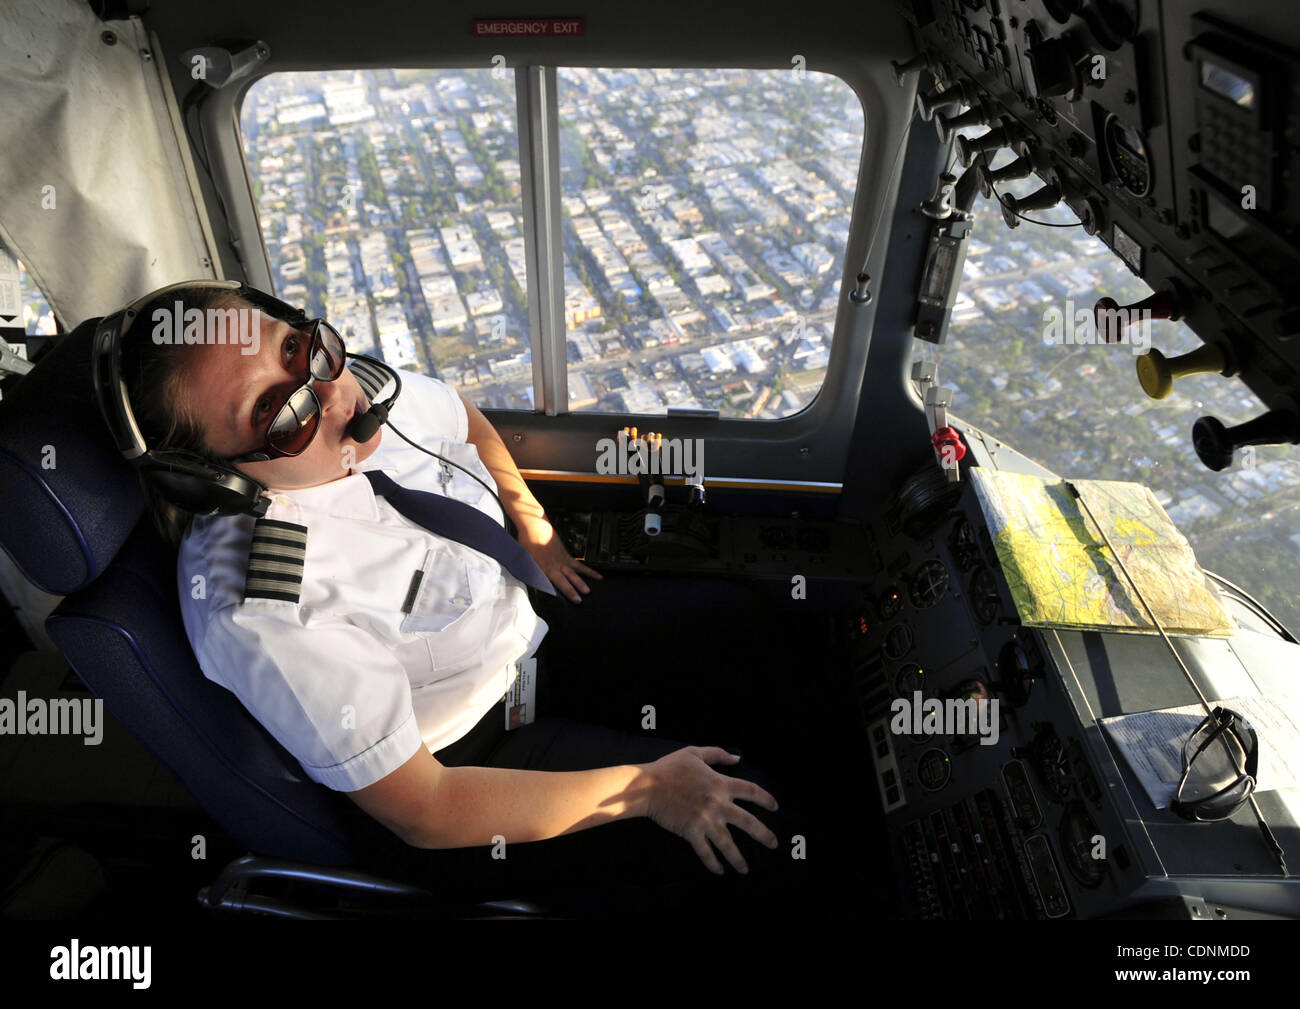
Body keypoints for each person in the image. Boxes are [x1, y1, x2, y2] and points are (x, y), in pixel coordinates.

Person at [122, 284, 809, 916]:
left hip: (524, 633)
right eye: (276, 410)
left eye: (296, 346)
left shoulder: (345, 385)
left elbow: (465, 420)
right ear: (209, 479)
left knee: (749, 628)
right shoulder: (267, 608)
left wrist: (534, 527)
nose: (329, 396)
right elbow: (425, 808)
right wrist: (650, 789)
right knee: (754, 828)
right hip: (468, 763)